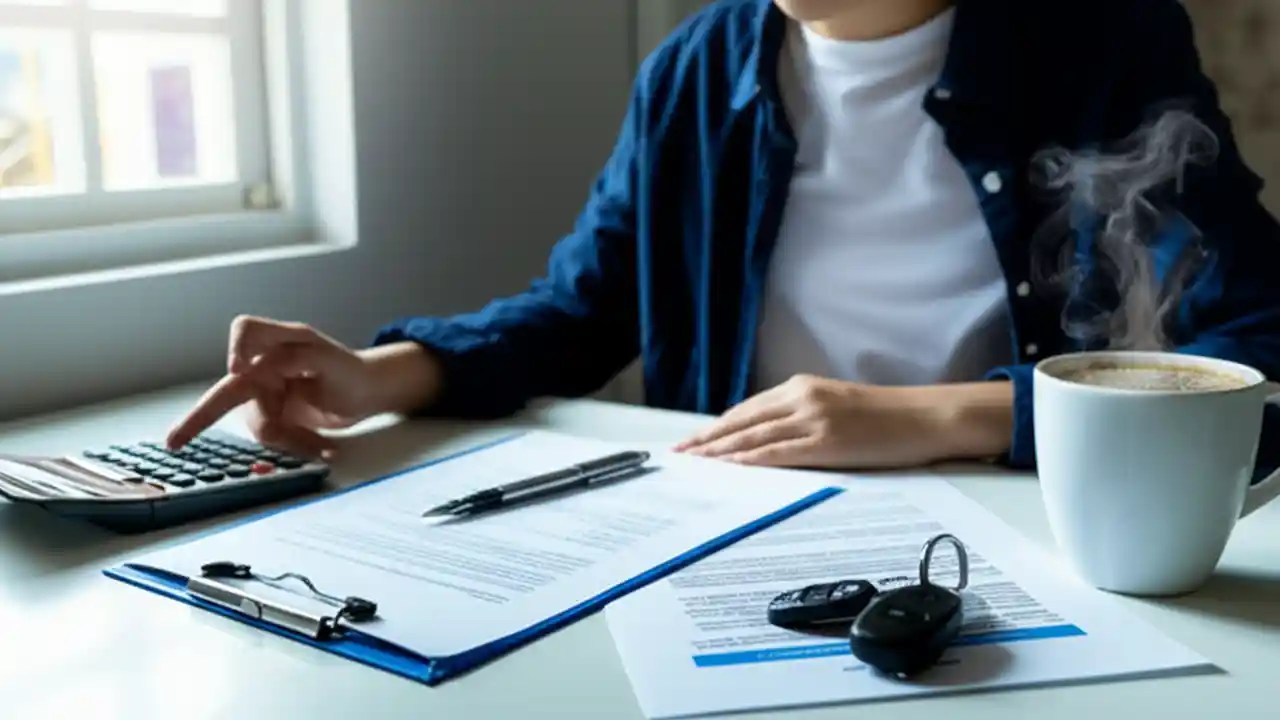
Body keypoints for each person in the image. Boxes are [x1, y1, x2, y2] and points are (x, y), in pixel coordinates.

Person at [167, 0, 1280, 473]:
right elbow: (578, 308)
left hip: (1011, 533)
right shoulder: (695, 72)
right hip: (730, 529)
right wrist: (375, 376)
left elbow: (1257, 353)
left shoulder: (1100, 42)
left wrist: (930, 416)